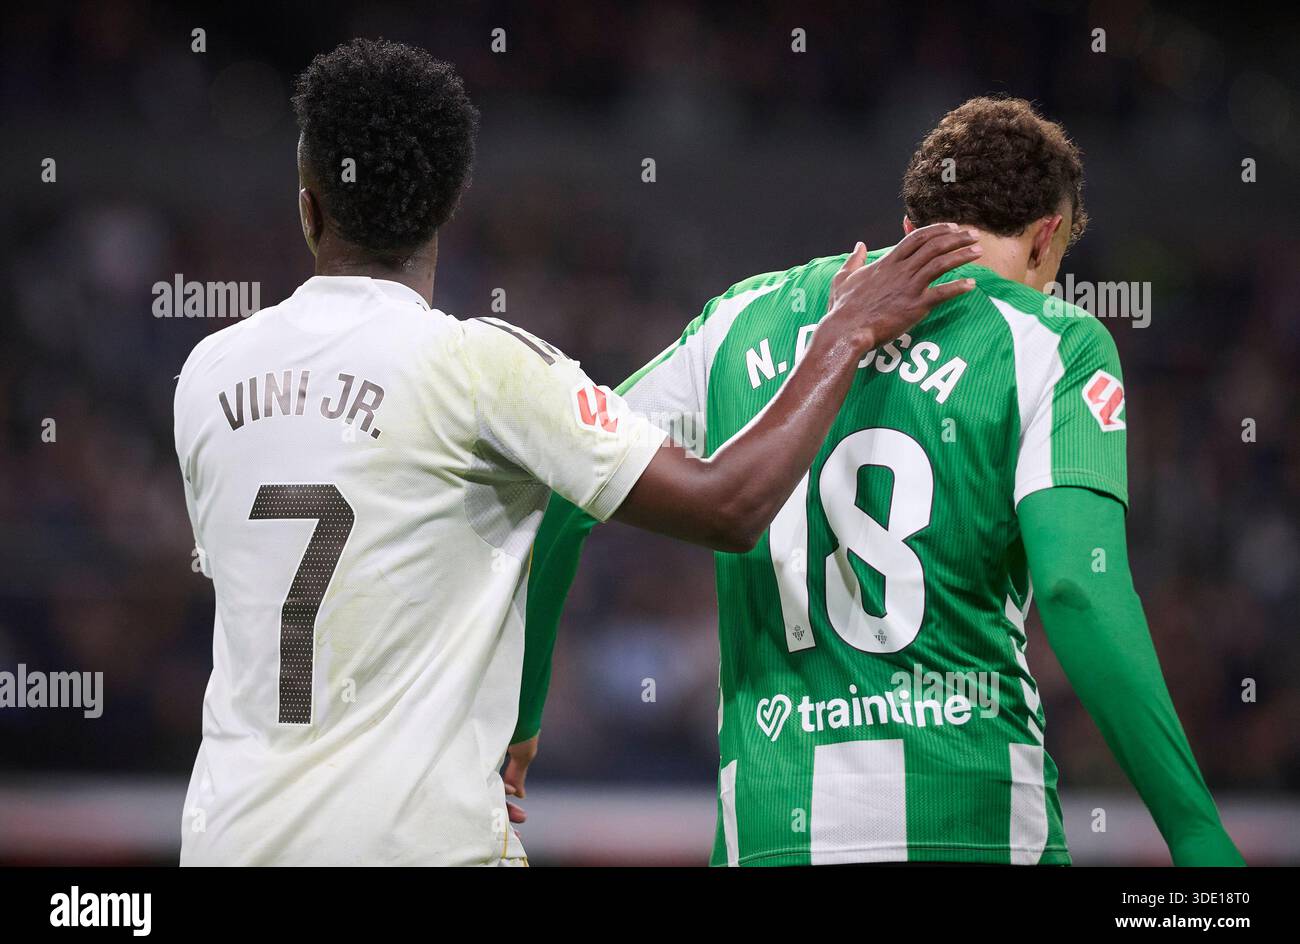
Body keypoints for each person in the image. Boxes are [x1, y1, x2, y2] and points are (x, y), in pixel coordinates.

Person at [171, 38, 977, 865]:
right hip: (416, 844)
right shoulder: (481, 366)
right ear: (449, 204)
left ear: (308, 208)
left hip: (232, 837)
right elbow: (729, 506)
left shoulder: (206, 375)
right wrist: (844, 333)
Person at [513, 96, 1244, 867]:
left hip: (771, 834)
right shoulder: (1055, 342)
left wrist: (522, 716)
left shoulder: (740, 321)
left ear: (909, 228)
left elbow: (565, 488)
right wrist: (1193, 829)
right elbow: (1075, 588)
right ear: (1046, 239)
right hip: (973, 824)